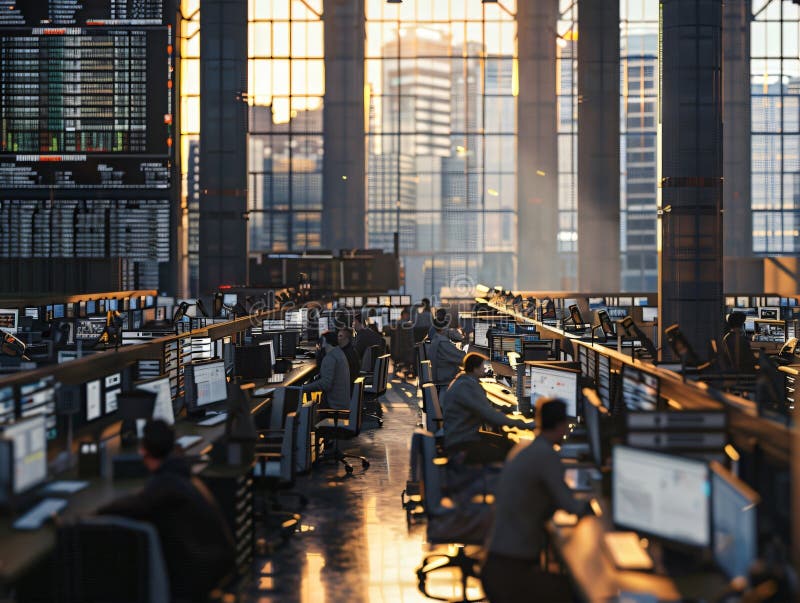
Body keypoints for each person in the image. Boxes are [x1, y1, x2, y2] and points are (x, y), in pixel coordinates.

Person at [97, 420, 236, 603]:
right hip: (217, 558)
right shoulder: (179, 473)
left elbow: (133, 506)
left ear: (144, 451)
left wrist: (89, 515)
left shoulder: (164, 486)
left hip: (202, 569)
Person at [481, 399, 592, 602]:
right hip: (510, 574)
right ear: (560, 426)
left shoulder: (524, 448)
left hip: (497, 563)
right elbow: (571, 505)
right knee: (574, 594)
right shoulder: (546, 455)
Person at [442, 353, 530, 464]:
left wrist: (503, 412)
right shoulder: (467, 387)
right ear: (475, 369)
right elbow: (490, 416)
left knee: (504, 441)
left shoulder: (463, 382)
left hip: (460, 436)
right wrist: (523, 424)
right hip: (461, 444)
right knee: (510, 453)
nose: (485, 369)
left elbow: (485, 411)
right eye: (482, 367)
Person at [303, 331, 351, 410]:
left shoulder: (330, 357)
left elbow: (325, 384)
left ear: (324, 342)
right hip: (343, 402)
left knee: (309, 406)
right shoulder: (339, 353)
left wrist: (304, 388)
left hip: (334, 406)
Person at [428, 313, 466, 390]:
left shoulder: (436, 339)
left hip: (441, 377)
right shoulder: (443, 343)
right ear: (443, 329)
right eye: (447, 327)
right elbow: (463, 358)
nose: (448, 329)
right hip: (446, 382)